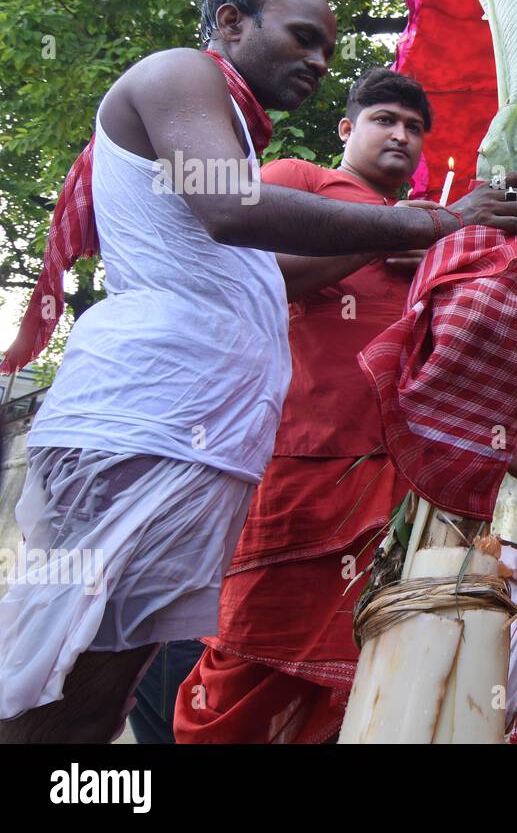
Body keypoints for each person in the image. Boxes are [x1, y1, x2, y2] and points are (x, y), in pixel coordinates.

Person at [0, 0, 517, 742]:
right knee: (57, 667)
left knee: (105, 684)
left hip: (207, 439)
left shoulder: (243, 137)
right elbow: (231, 208)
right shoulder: (177, 73)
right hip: (140, 424)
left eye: (326, 48)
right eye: (301, 38)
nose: (320, 62)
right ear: (230, 23)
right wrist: (432, 224)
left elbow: (260, 269)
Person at [172, 67, 444, 743]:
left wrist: (442, 261)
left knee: (368, 671)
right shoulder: (301, 181)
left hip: (396, 479)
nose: (401, 136)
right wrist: (379, 238)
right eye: (385, 120)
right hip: (294, 456)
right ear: (347, 129)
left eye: (414, 128)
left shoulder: (432, 228)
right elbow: (242, 272)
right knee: (246, 649)